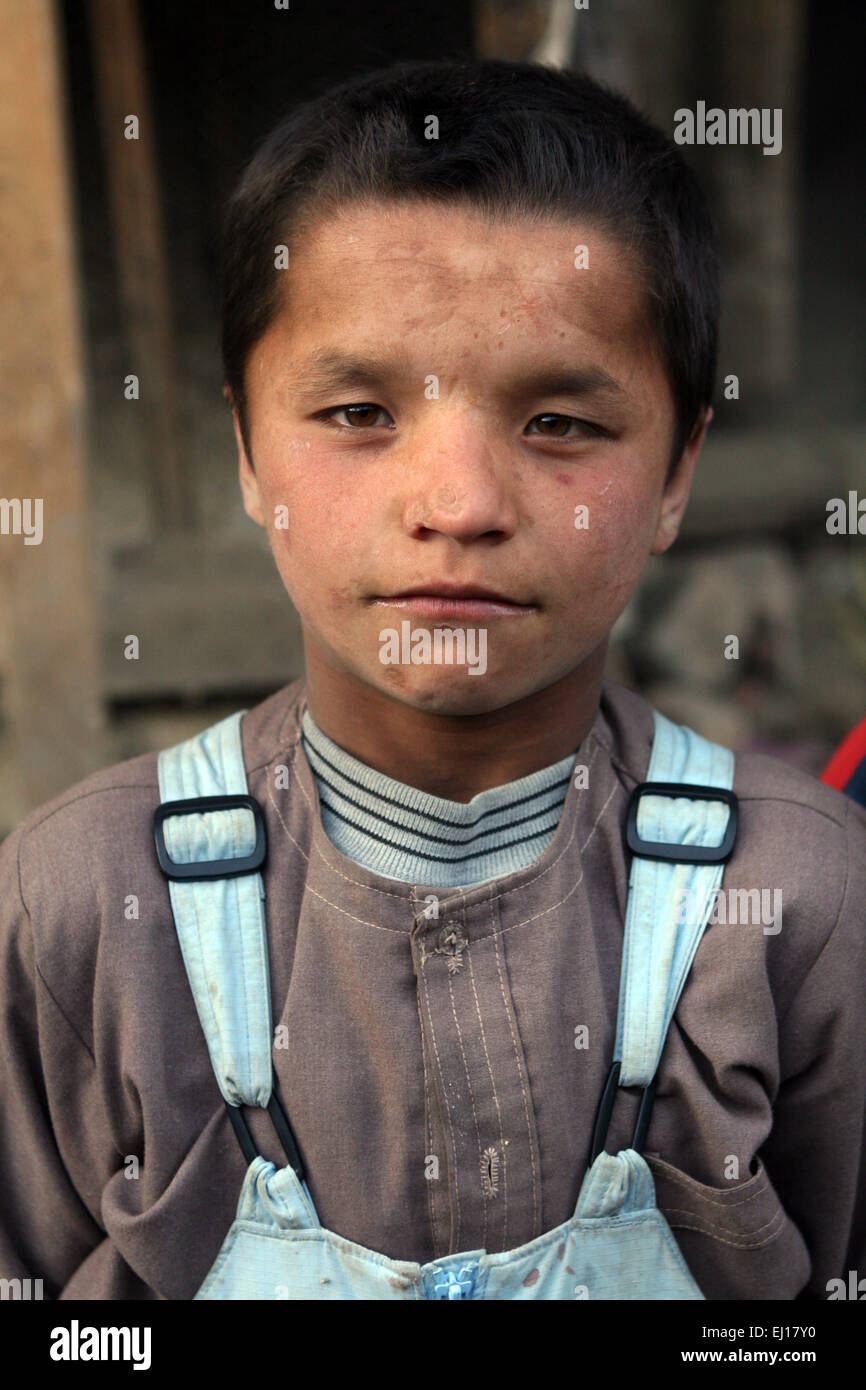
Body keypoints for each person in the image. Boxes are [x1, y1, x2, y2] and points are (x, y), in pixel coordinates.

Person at [1, 58, 864, 1301]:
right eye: (356, 411)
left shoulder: (804, 904)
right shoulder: (77, 906)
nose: (456, 506)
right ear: (246, 449)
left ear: (677, 471)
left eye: (559, 424)